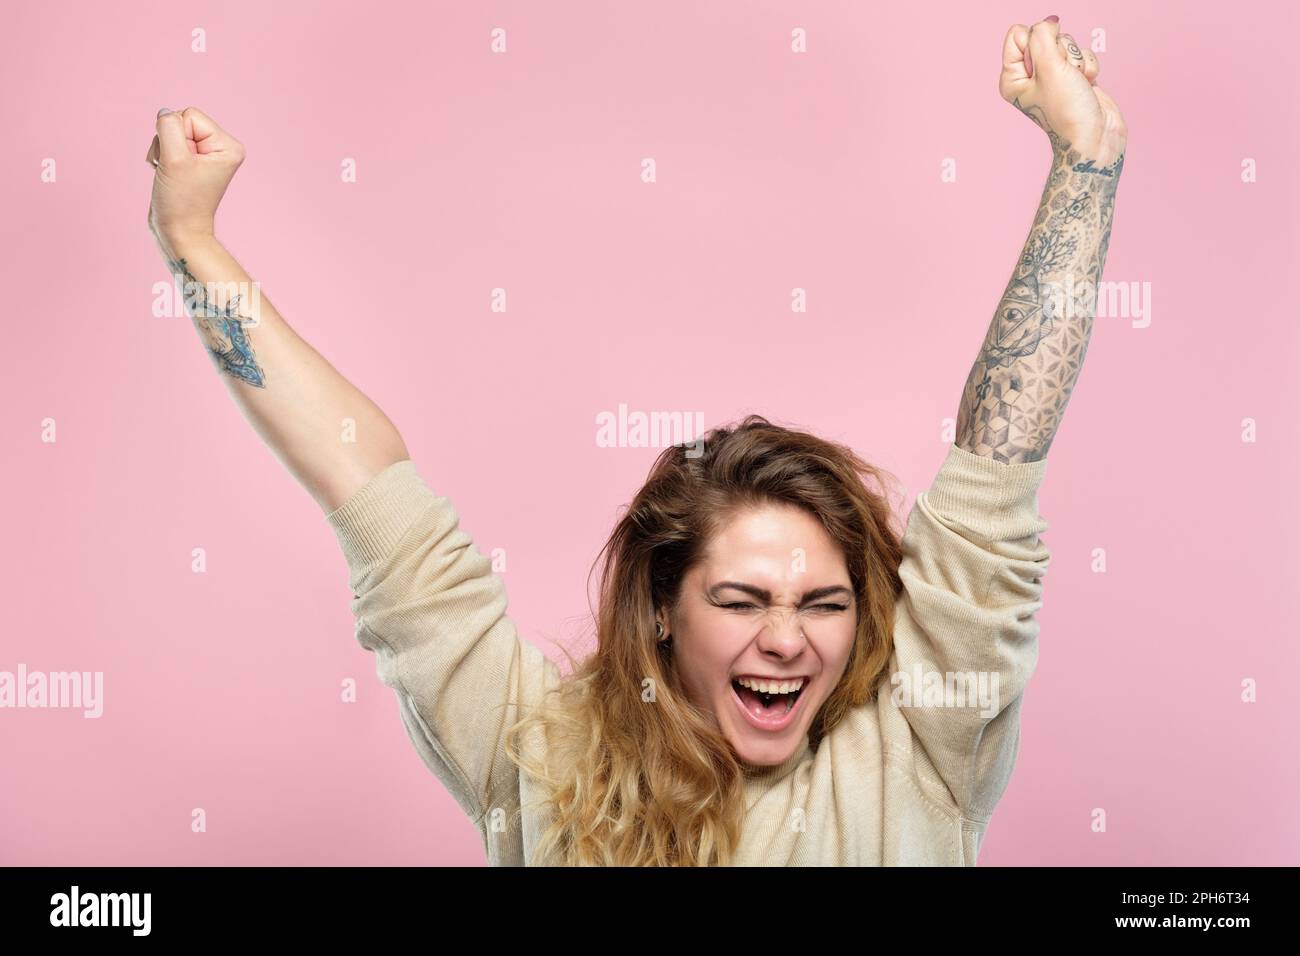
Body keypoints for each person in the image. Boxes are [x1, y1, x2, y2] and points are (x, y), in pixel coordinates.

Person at [144, 17, 1125, 865]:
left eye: (822, 602)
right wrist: (193, 240)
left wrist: (1085, 163)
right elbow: (369, 485)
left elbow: (995, 464)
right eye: (740, 598)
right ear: (661, 605)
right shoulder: (541, 751)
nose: (785, 637)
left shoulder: (921, 739)